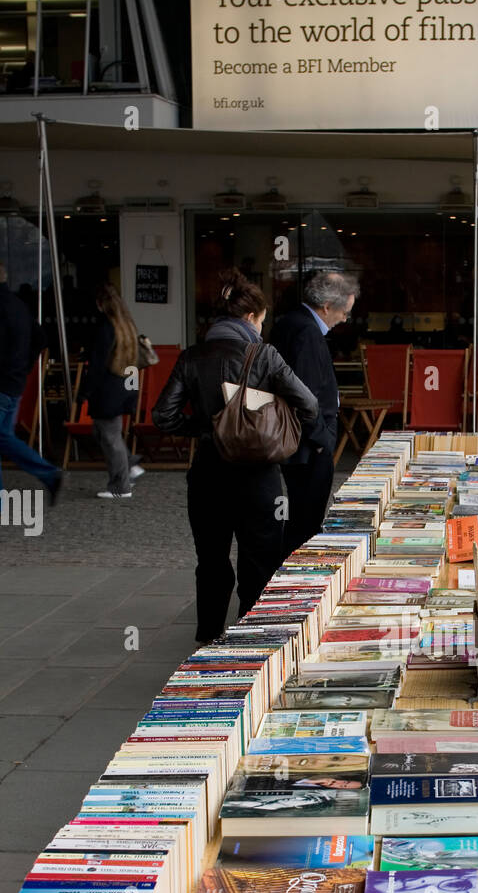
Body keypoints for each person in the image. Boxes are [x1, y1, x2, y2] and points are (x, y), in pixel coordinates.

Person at [152, 269, 319, 644]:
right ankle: (251, 640)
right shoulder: (265, 356)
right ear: (250, 317)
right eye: (261, 320)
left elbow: (163, 416)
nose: (262, 327)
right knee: (259, 561)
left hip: (208, 474)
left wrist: (208, 430)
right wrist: (275, 423)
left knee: (210, 561)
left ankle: (209, 636)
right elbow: (308, 404)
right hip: (258, 477)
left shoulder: (192, 356)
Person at [270, 270, 359, 555]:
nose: (346, 319)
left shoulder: (292, 322)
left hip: (301, 440)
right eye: (345, 311)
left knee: (301, 518)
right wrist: (321, 439)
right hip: (308, 445)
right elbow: (304, 393)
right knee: (306, 521)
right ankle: (292, 584)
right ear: (327, 306)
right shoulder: (306, 331)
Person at [0, 262, 62, 501]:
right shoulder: (18, 305)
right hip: (14, 383)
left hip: (3, 382)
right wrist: (23, 368)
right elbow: (41, 339)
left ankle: (48, 472)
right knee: (4, 438)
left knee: (4, 438)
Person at [86, 283, 142, 499]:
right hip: (124, 385)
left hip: (108, 389)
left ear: (100, 305)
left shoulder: (106, 328)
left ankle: (121, 485)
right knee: (106, 433)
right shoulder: (127, 326)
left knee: (109, 437)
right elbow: (134, 363)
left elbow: (98, 365)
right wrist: (132, 393)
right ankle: (129, 466)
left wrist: (85, 391)